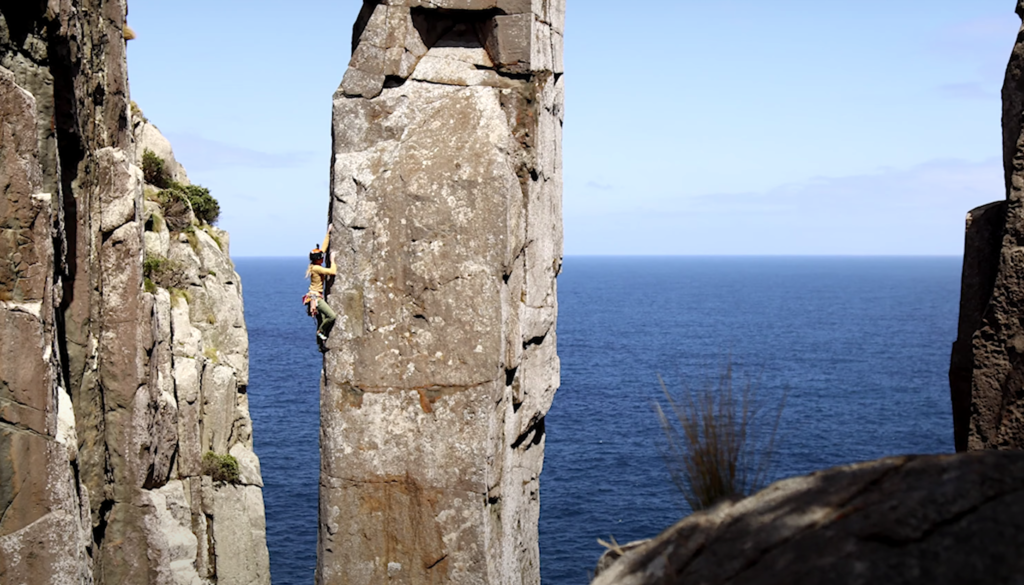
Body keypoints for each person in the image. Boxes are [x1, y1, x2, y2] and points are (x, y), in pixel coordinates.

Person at [304, 224, 338, 351]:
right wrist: (333, 259)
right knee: (331, 316)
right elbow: (332, 271)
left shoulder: (314, 265)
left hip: (312, 297)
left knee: (322, 319)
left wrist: (328, 233)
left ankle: (321, 345)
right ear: (318, 260)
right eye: (321, 258)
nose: (323, 258)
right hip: (316, 298)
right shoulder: (317, 268)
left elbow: (322, 249)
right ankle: (321, 332)